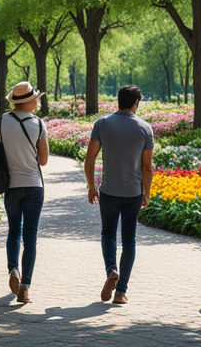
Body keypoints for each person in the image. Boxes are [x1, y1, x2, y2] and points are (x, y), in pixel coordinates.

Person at [84, 84, 154, 304]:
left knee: (108, 234)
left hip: (108, 191)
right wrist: (147, 192)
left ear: (118, 101)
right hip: (133, 192)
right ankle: (121, 292)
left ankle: (111, 270)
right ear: (136, 103)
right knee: (129, 239)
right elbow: (147, 167)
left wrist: (91, 186)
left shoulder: (102, 124)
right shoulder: (145, 128)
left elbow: (90, 158)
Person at [0, 81, 49, 303]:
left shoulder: (0, 122)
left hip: (11, 187)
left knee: (14, 231)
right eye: (35, 100)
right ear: (29, 101)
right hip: (34, 185)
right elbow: (44, 160)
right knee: (30, 236)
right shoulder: (39, 124)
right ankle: (25, 288)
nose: (36, 103)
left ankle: (13, 269)